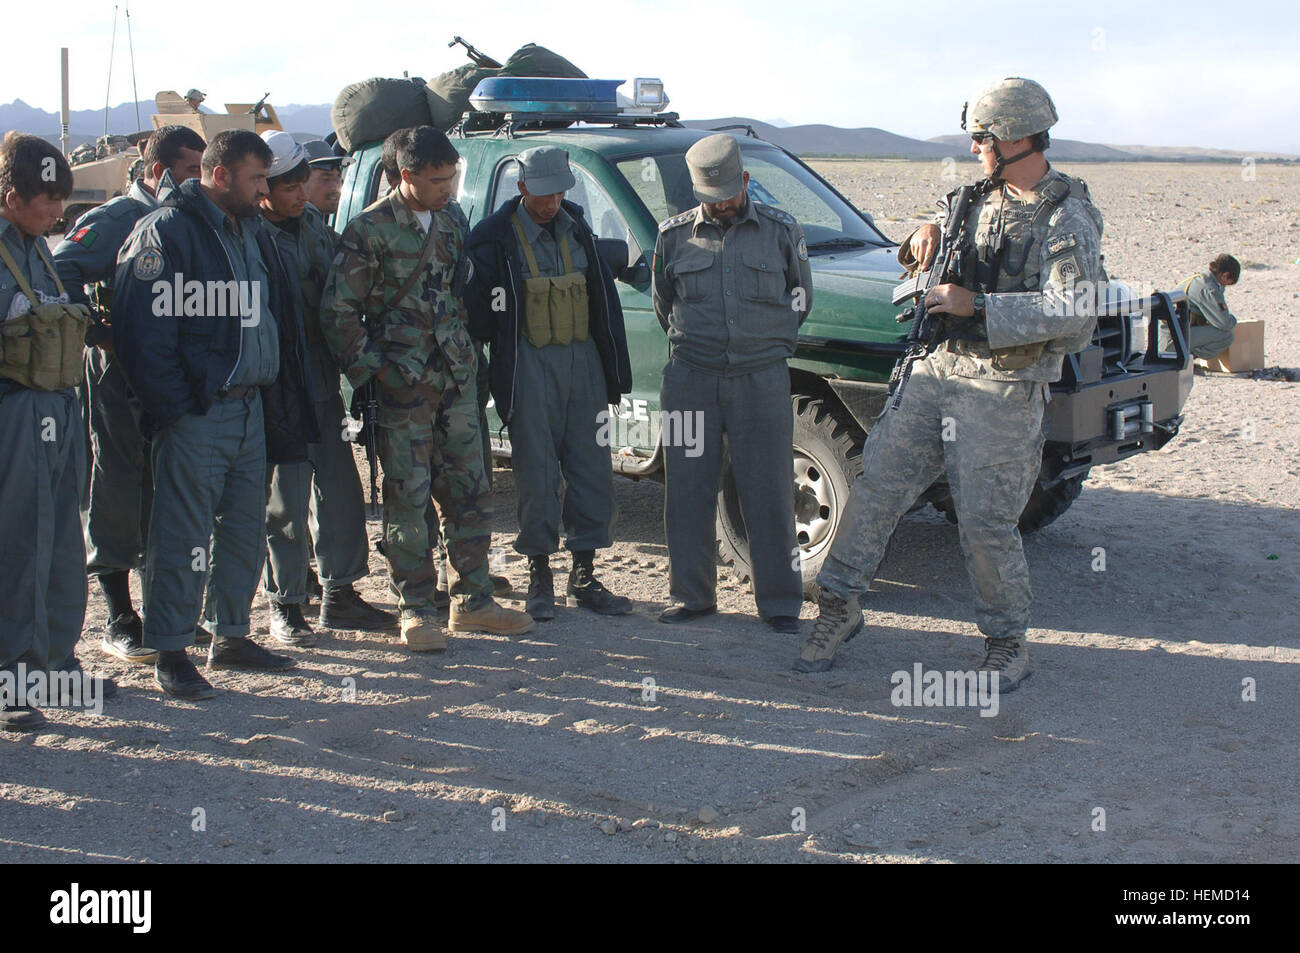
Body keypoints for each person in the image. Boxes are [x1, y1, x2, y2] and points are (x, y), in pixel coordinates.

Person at [796, 77, 1104, 692]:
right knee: (877, 486)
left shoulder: (1065, 216)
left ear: (1015, 139)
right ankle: (838, 606)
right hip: (937, 367)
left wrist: (978, 305)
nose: (974, 149)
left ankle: (1006, 641)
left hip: (1003, 385)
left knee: (985, 521)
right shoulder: (973, 198)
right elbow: (924, 244)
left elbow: (1074, 310)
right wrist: (920, 240)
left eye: (982, 139)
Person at [112, 129, 318, 699]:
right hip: (200, 413)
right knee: (182, 536)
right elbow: (142, 334)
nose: (264, 191)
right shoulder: (167, 232)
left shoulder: (247, 230)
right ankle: (171, 650)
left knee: (243, 530)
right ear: (220, 174)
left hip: (250, 407)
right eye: (257, 179)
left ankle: (231, 634)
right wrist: (179, 410)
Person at [320, 125, 533, 652]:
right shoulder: (369, 230)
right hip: (402, 385)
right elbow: (338, 312)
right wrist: (378, 370)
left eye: (451, 178)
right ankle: (415, 610)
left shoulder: (452, 219)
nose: (448, 189)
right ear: (406, 175)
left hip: (455, 377)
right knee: (408, 499)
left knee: (470, 491)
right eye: (437, 180)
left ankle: (473, 601)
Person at [53, 124, 206, 665]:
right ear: (160, 171)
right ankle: (119, 614)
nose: (199, 180)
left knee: (166, 486)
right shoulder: (117, 218)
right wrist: (101, 332)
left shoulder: (188, 220)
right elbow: (60, 269)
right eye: (191, 170)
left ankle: (163, 609)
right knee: (118, 483)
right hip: (119, 376)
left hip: (170, 373)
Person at [652, 134, 811, 633]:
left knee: (769, 492)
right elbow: (664, 305)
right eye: (710, 198)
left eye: (728, 195)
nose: (721, 205)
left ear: (745, 180)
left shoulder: (781, 231)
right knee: (687, 491)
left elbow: (801, 299)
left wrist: (759, 345)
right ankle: (692, 597)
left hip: (760, 381)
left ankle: (780, 604)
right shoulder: (672, 237)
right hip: (690, 381)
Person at [465, 146, 633, 620]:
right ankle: (539, 573)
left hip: (584, 364)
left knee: (591, 469)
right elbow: (479, 314)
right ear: (521, 188)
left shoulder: (578, 226)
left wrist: (612, 371)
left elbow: (602, 300)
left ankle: (585, 574)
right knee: (537, 473)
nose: (551, 202)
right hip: (529, 365)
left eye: (559, 192)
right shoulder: (492, 238)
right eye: (542, 194)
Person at [258, 131, 394, 644]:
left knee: (338, 489)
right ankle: (287, 601)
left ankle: (340, 591)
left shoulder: (313, 227)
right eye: (289, 186)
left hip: (321, 378)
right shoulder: (249, 236)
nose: (301, 194)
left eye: (303, 184)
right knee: (285, 500)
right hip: (275, 386)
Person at [0, 133, 116, 731]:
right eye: (47, 199)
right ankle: (13, 677)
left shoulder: (37, 250)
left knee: (62, 539)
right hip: (13, 411)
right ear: (11, 197)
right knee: (20, 543)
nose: (56, 211)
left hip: (56, 407)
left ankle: (55, 664)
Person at [1162, 253, 1240, 359]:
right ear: (1225, 275)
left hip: (1167, 337)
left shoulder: (1198, 279)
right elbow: (1224, 323)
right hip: (1172, 342)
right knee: (1226, 335)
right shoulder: (1209, 289)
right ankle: (1187, 359)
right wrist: (1234, 320)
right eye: (1227, 283)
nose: (1224, 287)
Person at [301, 139, 353, 217]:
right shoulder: (291, 223)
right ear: (302, 182)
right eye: (326, 179)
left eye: (338, 178)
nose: (335, 187)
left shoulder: (314, 223)